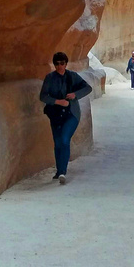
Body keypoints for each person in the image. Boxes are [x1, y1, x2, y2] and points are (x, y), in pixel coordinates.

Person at [39, 52, 92, 184]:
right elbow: (43, 96)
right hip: (56, 115)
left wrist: (75, 94)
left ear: (66, 64)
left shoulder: (72, 76)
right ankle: (59, 171)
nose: (59, 66)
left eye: (62, 63)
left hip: (71, 114)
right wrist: (58, 101)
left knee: (64, 139)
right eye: (57, 64)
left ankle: (63, 171)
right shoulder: (50, 78)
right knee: (57, 143)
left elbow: (88, 88)